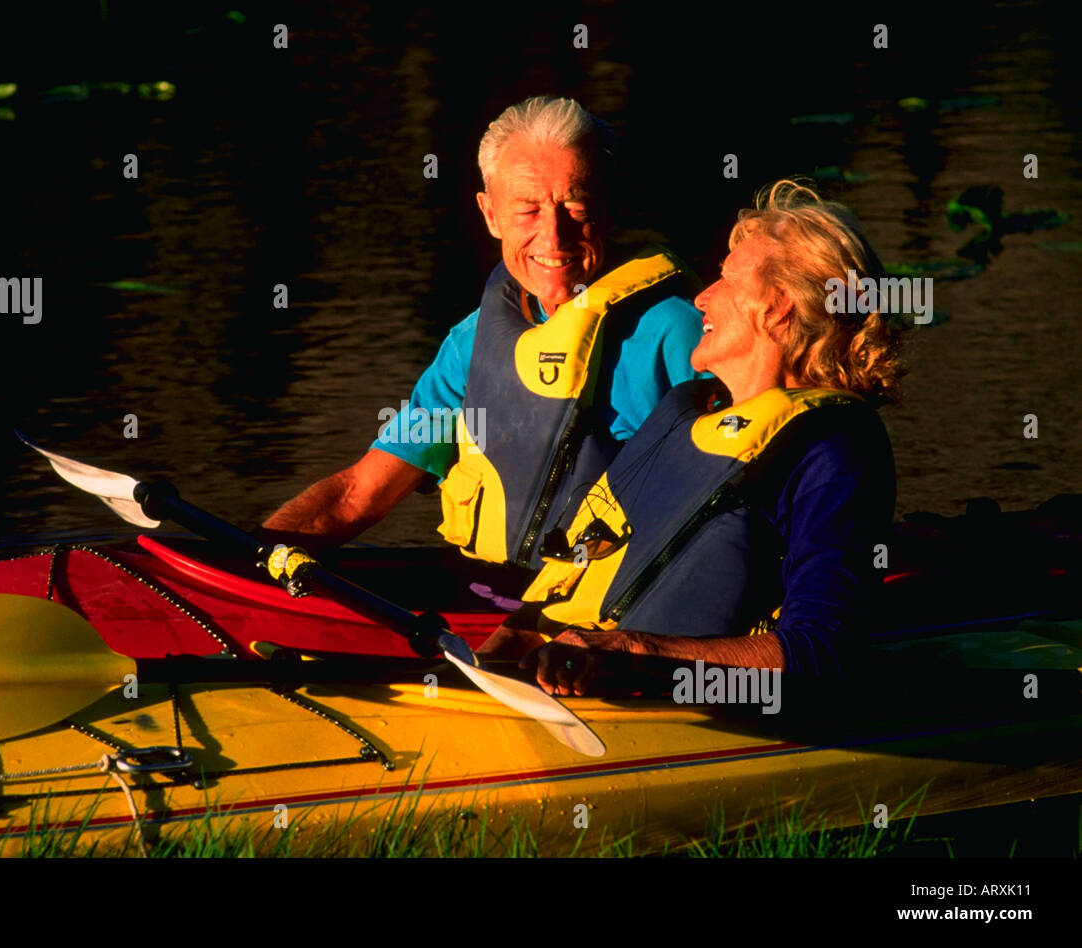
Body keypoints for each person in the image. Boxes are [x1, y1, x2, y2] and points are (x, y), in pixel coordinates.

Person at [482, 180, 903, 695]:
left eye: (725, 280)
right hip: (570, 683)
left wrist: (634, 652)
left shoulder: (831, 451)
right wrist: (487, 665)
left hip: (673, 706)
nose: (701, 297)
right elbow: (571, 574)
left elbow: (823, 649)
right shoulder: (685, 413)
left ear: (778, 306)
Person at [261, 96, 705, 570]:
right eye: (527, 210)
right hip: (497, 598)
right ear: (490, 215)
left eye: (575, 206)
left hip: (620, 609)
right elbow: (357, 496)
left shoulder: (678, 331)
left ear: (609, 206)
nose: (554, 237)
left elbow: (742, 491)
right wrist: (253, 557)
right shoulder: (470, 348)